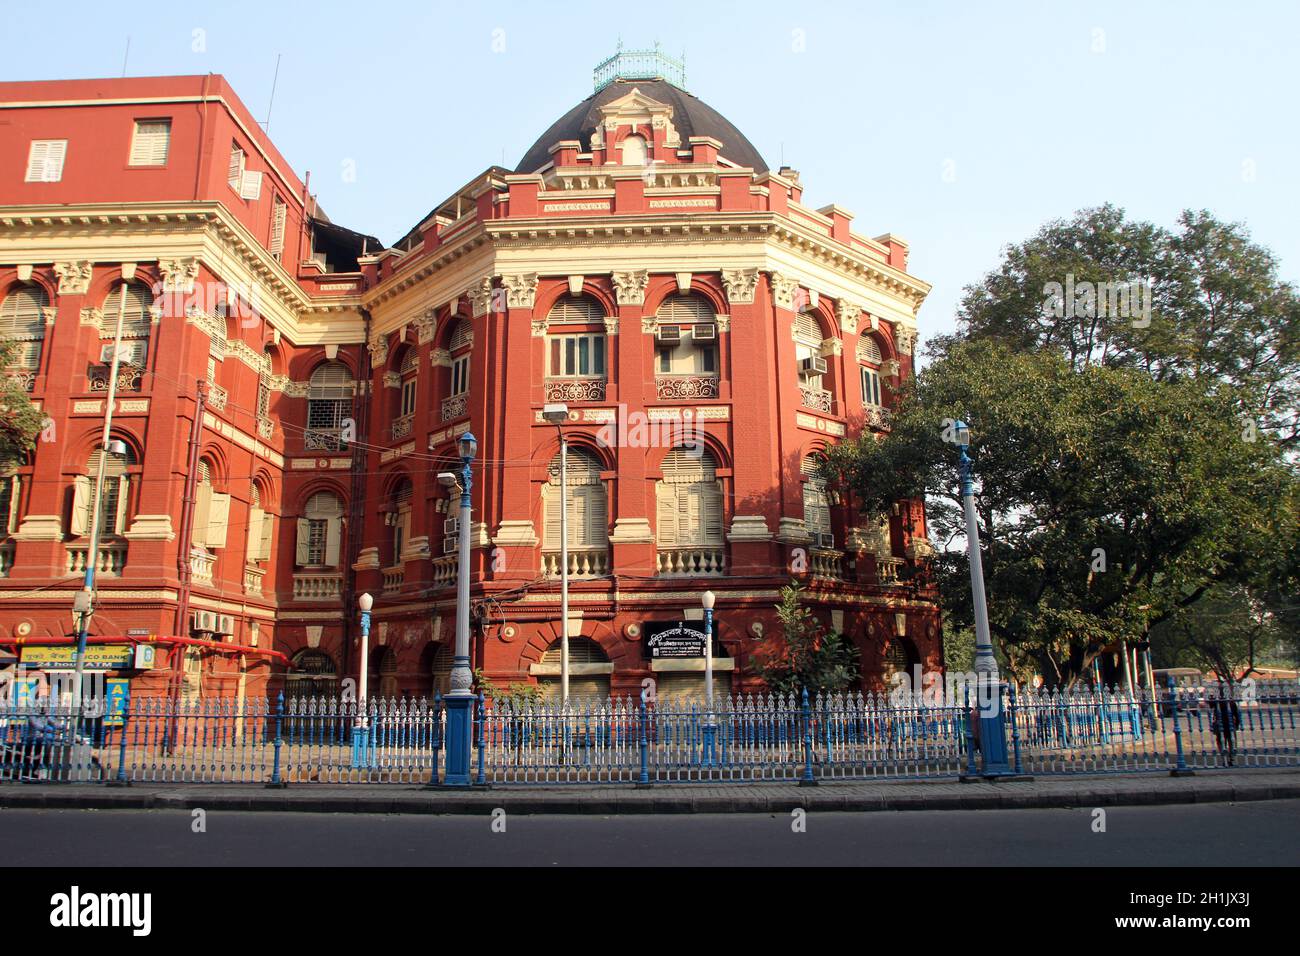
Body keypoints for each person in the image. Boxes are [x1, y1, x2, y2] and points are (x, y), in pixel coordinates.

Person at [1208, 685, 1241, 767]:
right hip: (1229, 723)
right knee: (1231, 741)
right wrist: (1237, 724)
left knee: (1221, 741)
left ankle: (1224, 758)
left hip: (1221, 723)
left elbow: (1210, 704)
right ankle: (1231, 758)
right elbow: (1236, 715)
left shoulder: (1217, 701)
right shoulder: (1231, 702)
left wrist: (1212, 696)